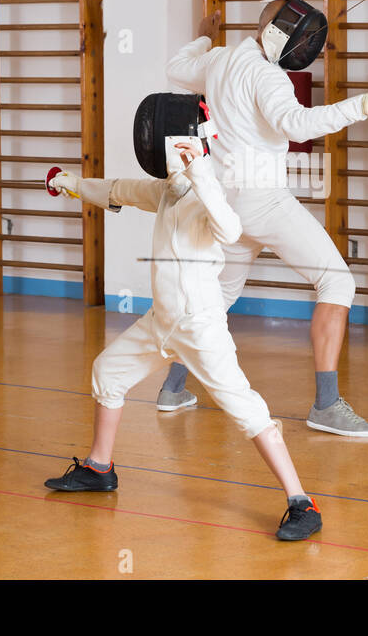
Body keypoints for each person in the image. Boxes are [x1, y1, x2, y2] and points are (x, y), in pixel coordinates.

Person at [42, 93, 322, 541]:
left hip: (200, 327)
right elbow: (116, 189)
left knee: (246, 410)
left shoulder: (213, 195)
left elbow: (230, 229)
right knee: (108, 372)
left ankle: (300, 501)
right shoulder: (166, 192)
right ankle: (99, 467)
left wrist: (201, 171)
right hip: (160, 323)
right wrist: (70, 183)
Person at [155, 0, 368, 438]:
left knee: (218, 300)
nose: (304, 46)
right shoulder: (267, 75)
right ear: (274, 32)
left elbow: (176, 66)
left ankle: (173, 388)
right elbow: (298, 125)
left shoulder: (219, 58)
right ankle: (325, 405)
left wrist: (205, 33)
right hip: (262, 202)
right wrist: (363, 106)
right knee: (337, 281)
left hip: (225, 207)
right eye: (299, 36)